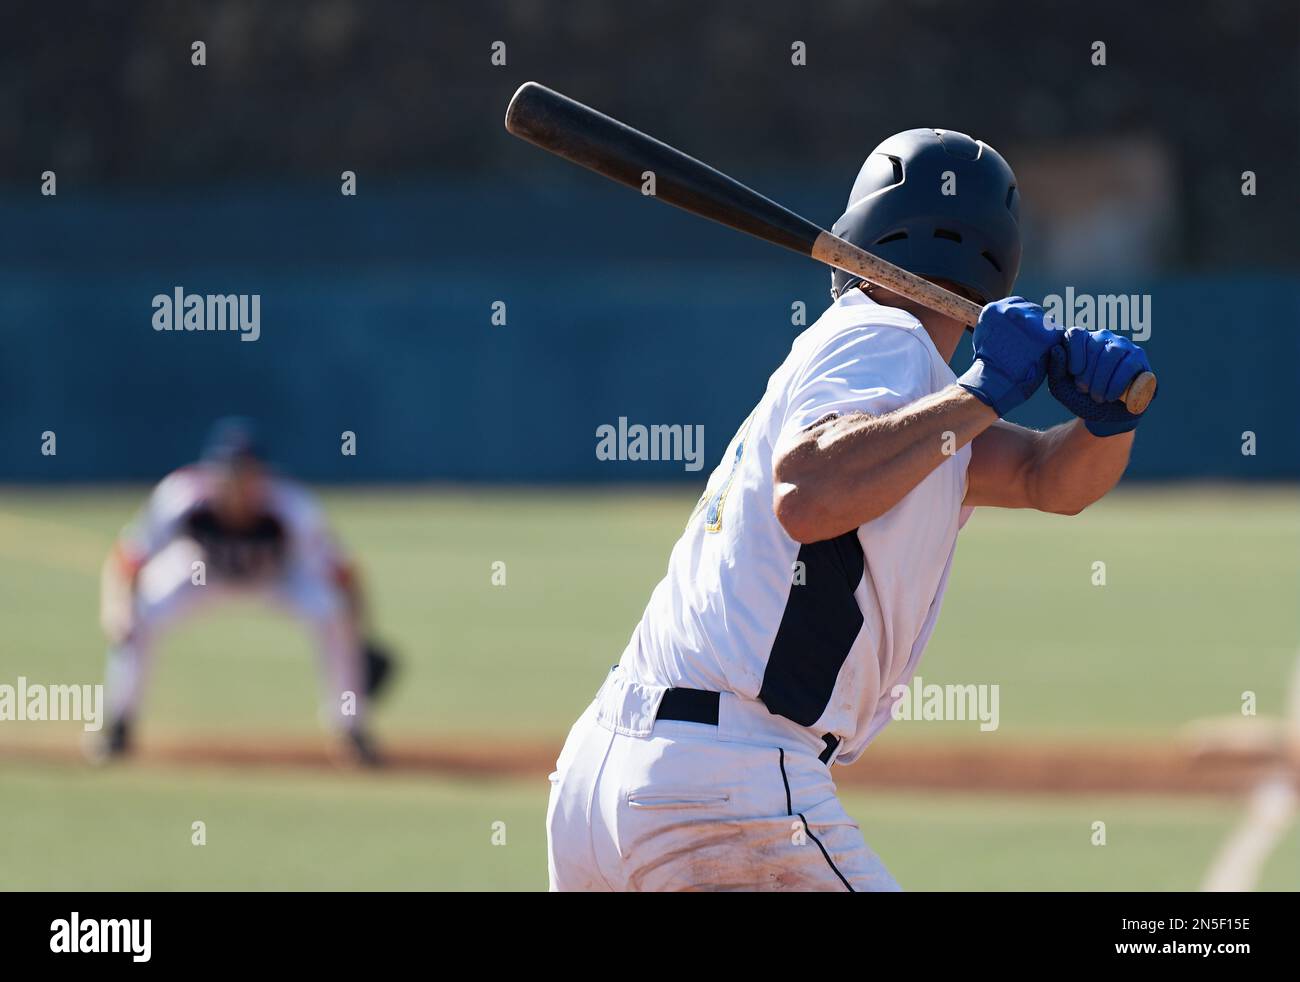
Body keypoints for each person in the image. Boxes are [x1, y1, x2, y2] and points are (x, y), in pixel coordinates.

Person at [546, 128, 1155, 890]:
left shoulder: (910, 406)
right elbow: (807, 493)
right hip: (721, 789)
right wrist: (982, 390)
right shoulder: (886, 337)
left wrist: (1106, 422)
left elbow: (1043, 478)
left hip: (611, 777)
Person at [93, 417, 394, 765]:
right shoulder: (181, 497)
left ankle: (351, 729)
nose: (237, 481)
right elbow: (128, 558)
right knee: (138, 615)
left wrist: (361, 634)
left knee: (332, 614)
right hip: (200, 573)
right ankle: (118, 725)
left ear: (262, 474)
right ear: (211, 473)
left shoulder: (292, 508)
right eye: (228, 471)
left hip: (277, 579)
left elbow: (343, 573)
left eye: (246, 472)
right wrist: (115, 607)